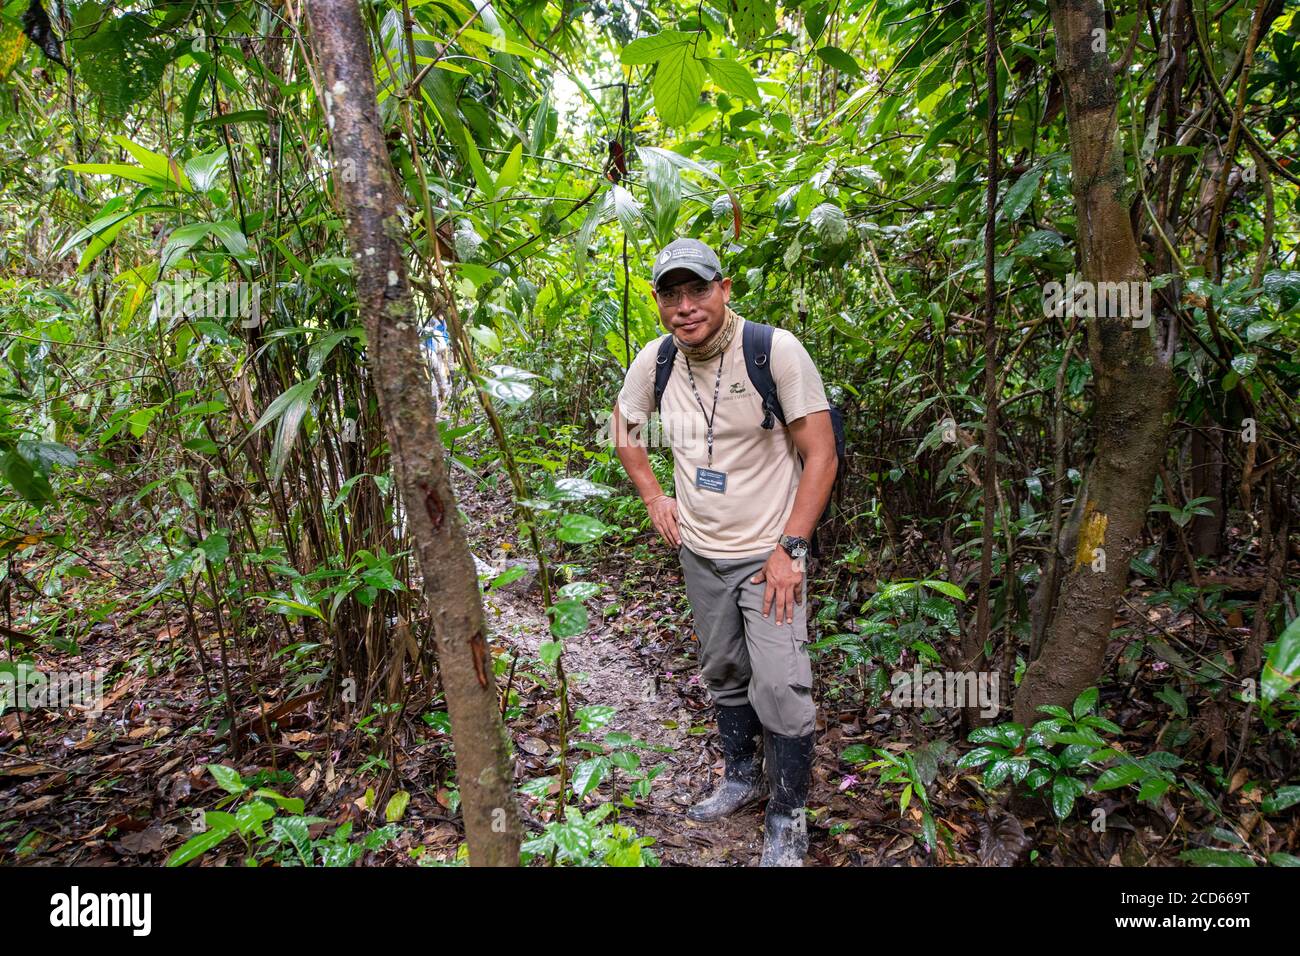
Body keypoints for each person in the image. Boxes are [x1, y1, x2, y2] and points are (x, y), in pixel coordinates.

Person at [611, 237, 838, 866]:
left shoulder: (773, 351)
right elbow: (625, 428)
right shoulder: (655, 360)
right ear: (658, 302)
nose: (685, 307)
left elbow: (821, 454)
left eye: (697, 290)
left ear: (724, 289)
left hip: (770, 554)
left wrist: (791, 546)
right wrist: (656, 497)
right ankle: (742, 776)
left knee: (783, 685)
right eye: (670, 295)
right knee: (724, 670)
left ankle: (788, 815)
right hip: (702, 554)